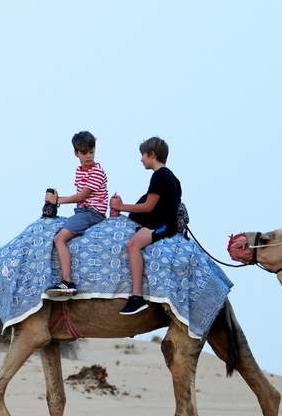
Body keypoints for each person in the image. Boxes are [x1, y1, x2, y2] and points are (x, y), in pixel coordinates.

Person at [111, 137, 182, 316]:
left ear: (151, 154)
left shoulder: (159, 176)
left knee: (133, 245)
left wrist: (121, 207)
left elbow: (148, 206)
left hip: (165, 227)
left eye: (143, 155)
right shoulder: (171, 176)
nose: (141, 159)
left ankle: (137, 296)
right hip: (160, 223)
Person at [45, 131, 109, 298]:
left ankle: (67, 281)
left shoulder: (97, 171)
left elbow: (82, 196)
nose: (89, 156)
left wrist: (57, 200)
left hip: (92, 213)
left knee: (59, 239)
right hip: (83, 211)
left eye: (91, 152)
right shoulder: (80, 171)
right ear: (76, 153)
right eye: (84, 152)